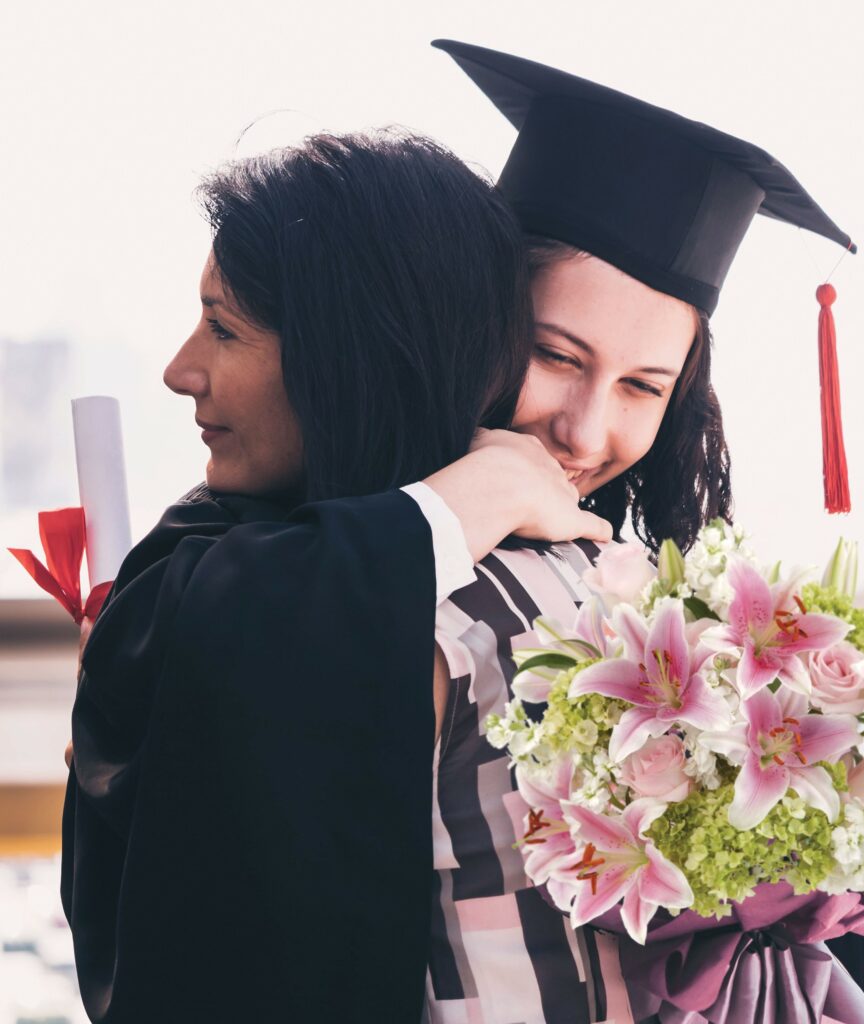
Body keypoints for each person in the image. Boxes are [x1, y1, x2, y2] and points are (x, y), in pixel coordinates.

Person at [61, 129, 613, 1023]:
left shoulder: (540, 606)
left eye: (225, 328)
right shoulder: (223, 551)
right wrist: (455, 502)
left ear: (346, 358)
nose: (179, 370)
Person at [421, 40, 864, 1024]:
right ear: (476, 319)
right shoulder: (388, 569)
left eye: (642, 386)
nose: (586, 430)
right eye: (554, 357)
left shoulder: (638, 586)